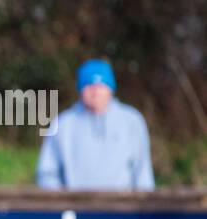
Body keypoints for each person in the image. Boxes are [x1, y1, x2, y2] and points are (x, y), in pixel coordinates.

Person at [37, 59, 155, 191]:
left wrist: (143, 207)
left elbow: (143, 173)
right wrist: (61, 205)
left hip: (122, 208)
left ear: (111, 88)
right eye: (89, 86)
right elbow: (47, 174)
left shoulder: (132, 121)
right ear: (80, 90)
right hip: (74, 208)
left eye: (101, 86)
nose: (95, 92)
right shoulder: (62, 124)